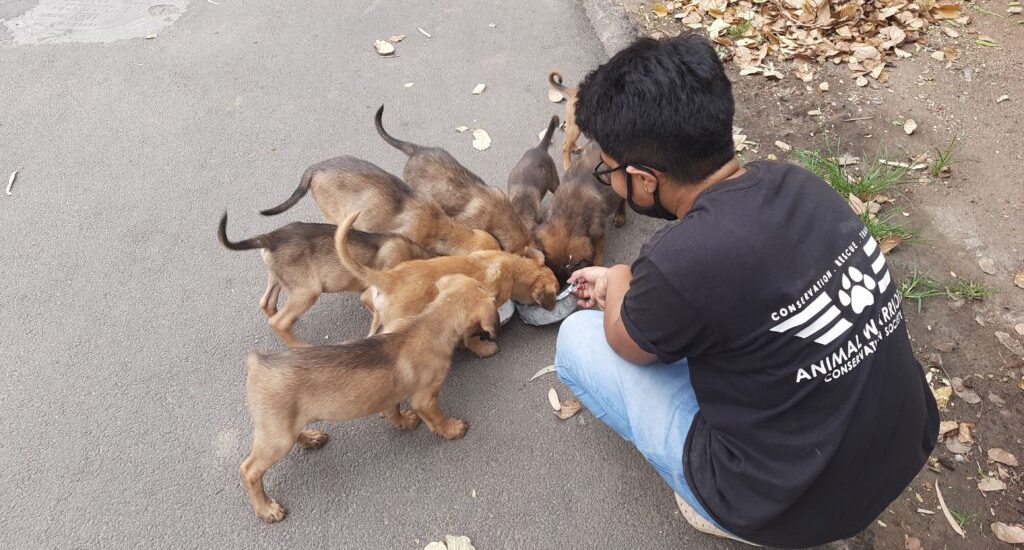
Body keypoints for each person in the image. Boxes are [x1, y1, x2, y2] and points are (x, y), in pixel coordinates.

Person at [554, 34, 939, 548]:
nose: (610, 180)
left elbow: (628, 343)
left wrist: (620, 277)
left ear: (644, 179)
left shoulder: (680, 261)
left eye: (609, 172)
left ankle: (715, 509)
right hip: (899, 448)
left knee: (579, 340)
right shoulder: (800, 184)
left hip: (783, 506)